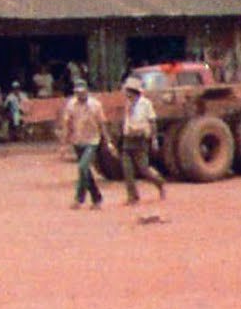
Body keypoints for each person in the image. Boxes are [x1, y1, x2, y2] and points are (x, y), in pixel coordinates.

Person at [117, 76, 166, 204]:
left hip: (141, 138)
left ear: (135, 91)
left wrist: (154, 139)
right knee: (127, 169)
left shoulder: (145, 104)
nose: (127, 93)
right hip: (128, 138)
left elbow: (152, 121)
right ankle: (132, 196)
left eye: (129, 91)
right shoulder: (128, 104)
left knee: (143, 168)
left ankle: (158, 182)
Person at [63, 79, 109, 209]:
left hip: (92, 140)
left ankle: (79, 198)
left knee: (82, 167)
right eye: (77, 92)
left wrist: (108, 140)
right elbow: (68, 123)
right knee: (85, 171)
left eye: (82, 92)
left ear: (87, 91)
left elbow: (102, 124)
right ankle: (96, 198)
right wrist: (65, 142)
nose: (80, 94)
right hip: (77, 140)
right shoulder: (71, 105)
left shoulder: (95, 105)